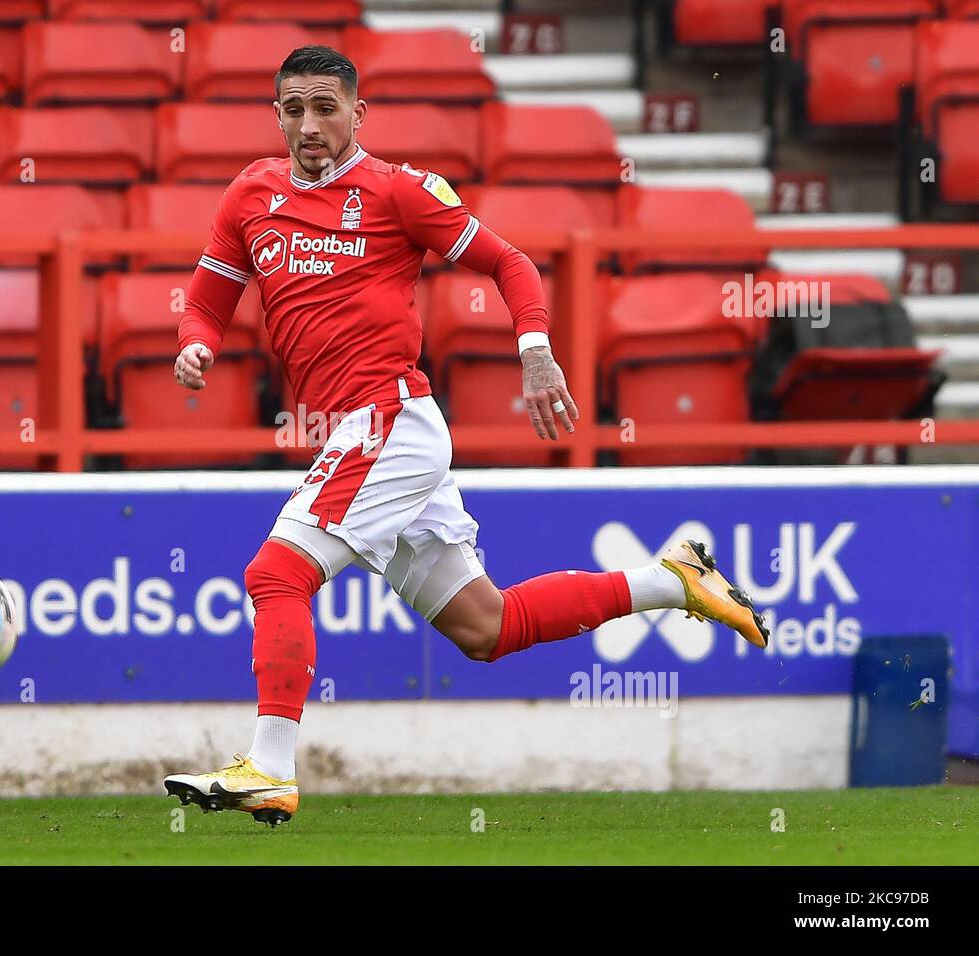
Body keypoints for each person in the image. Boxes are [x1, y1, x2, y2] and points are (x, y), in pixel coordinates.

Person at [163, 46, 768, 826]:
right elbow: (209, 298)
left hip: (388, 421)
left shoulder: (399, 191)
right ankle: (674, 581)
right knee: (488, 628)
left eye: (324, 108)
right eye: (292, 109)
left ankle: (270, 770)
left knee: (276, 575)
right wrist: (194, 340)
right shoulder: (249, 193)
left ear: (357, 114)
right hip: (359, 435)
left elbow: (510, 263)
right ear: (274, 113)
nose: (308, 126)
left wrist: (537, 352)